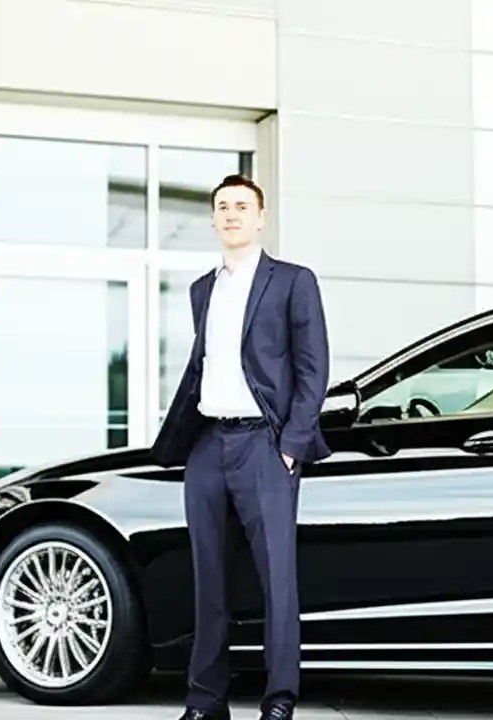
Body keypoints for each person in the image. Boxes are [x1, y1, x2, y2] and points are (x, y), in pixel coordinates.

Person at [151, 173, 331, 720]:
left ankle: (279, 699)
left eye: (241, 206)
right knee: (208, 579)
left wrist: (291, 446)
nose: (231, 214)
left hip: (265, 446)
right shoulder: (202, 289)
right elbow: (204, 366)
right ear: (213, 219)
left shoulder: (293, 281)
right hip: (208, 444)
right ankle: (206, 701)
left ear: (260, 217)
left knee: (278, 579)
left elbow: (313, 368)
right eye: (223, 207)